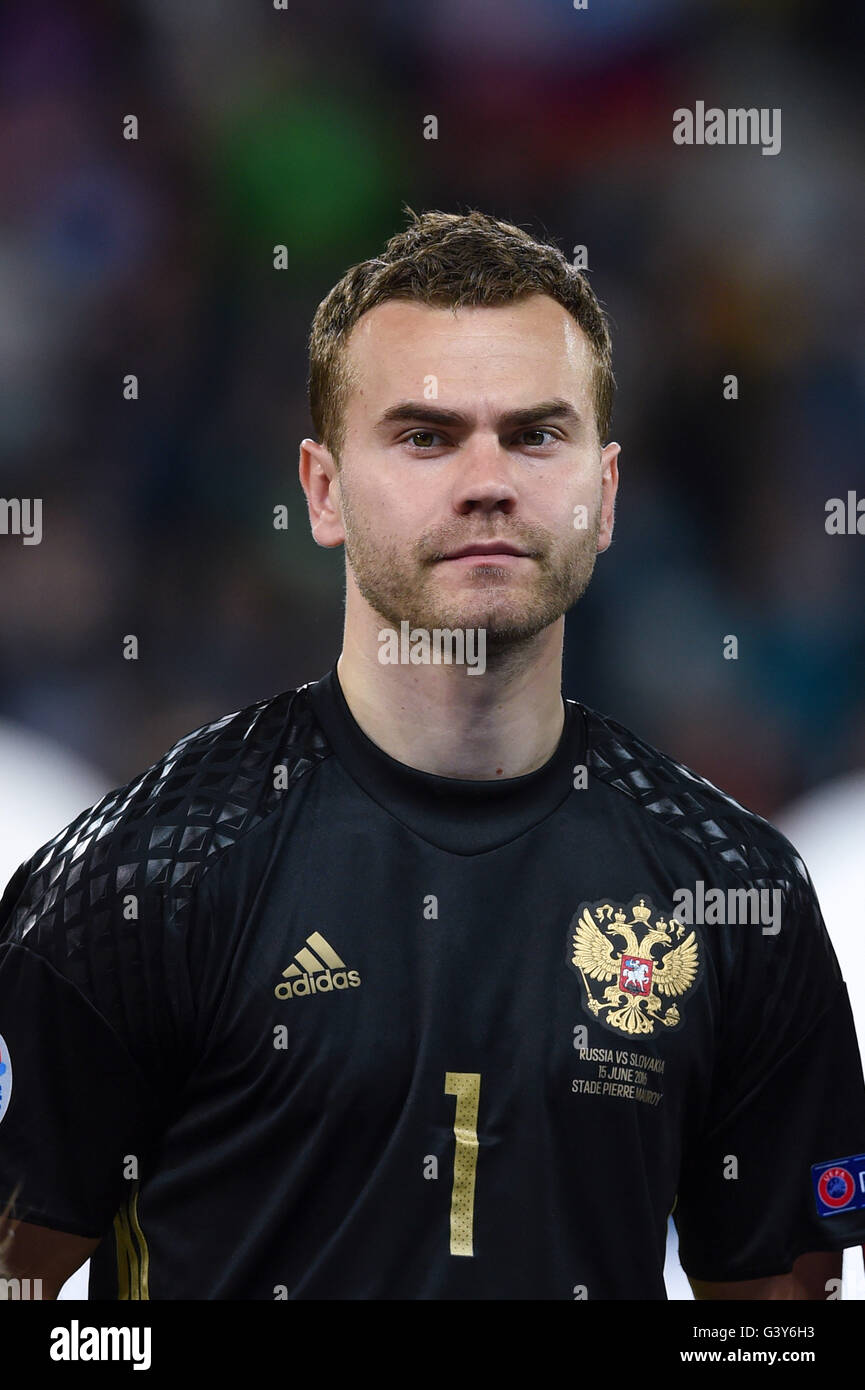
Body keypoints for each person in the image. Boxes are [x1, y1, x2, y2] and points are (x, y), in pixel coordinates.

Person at [2, 209, 864, 1301]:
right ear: (321, 489)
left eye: (535, 435)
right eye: (425, 435)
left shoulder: (737, 892)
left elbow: (777, 1321)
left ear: (604, 492)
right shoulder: (137, 879)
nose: (486, 480)